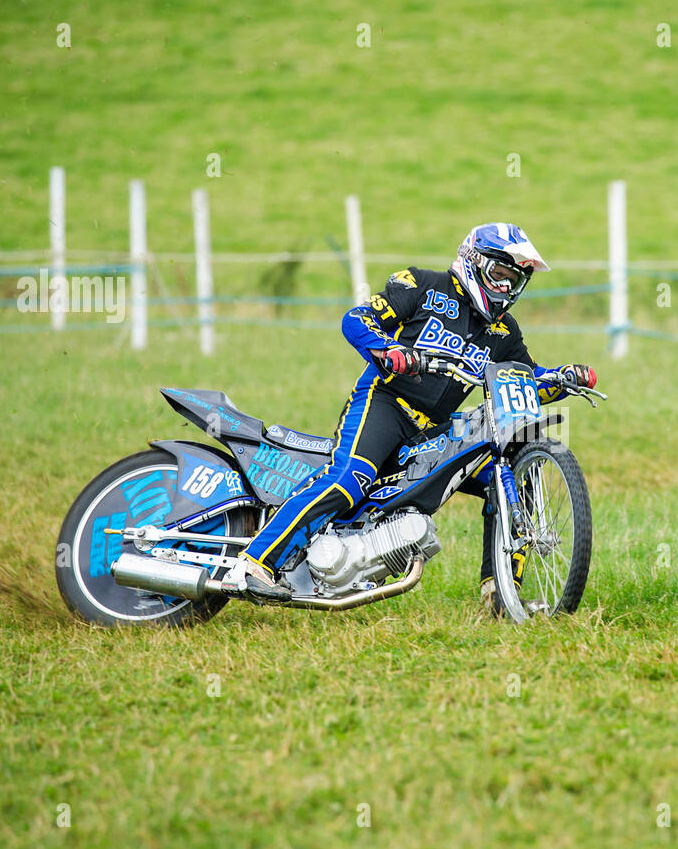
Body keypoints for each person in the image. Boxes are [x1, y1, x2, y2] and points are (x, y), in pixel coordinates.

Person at [234, 223, 596, 613]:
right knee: (348, 479)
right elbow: (355, 319)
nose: (506, 289)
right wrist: (389, 349)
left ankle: (500, 594)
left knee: (506, 473)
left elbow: (525, 379)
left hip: (434, 429)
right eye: (500, 276)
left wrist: (563, 378)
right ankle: (255, 563)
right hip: (384, 403)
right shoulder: (422, 285)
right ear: (474, 262)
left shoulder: (504, 331)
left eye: (516, 282)